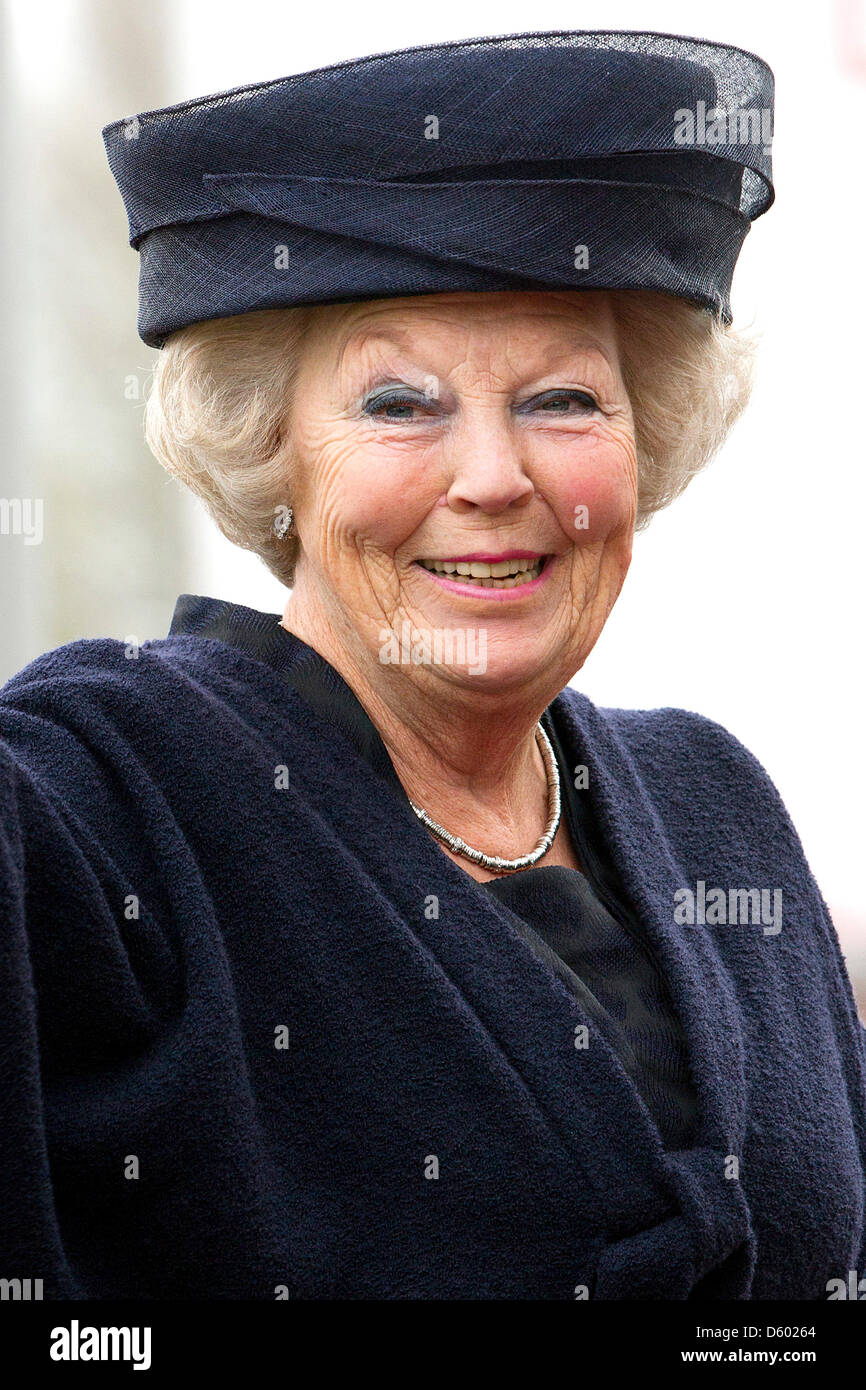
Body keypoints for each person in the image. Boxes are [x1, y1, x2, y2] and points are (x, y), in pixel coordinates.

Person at [2, 29, 864, 1300]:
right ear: (270, 448)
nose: (491, 478)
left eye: (562, 399)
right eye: (398, 403)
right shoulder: (89, 803)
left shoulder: (717, 808)